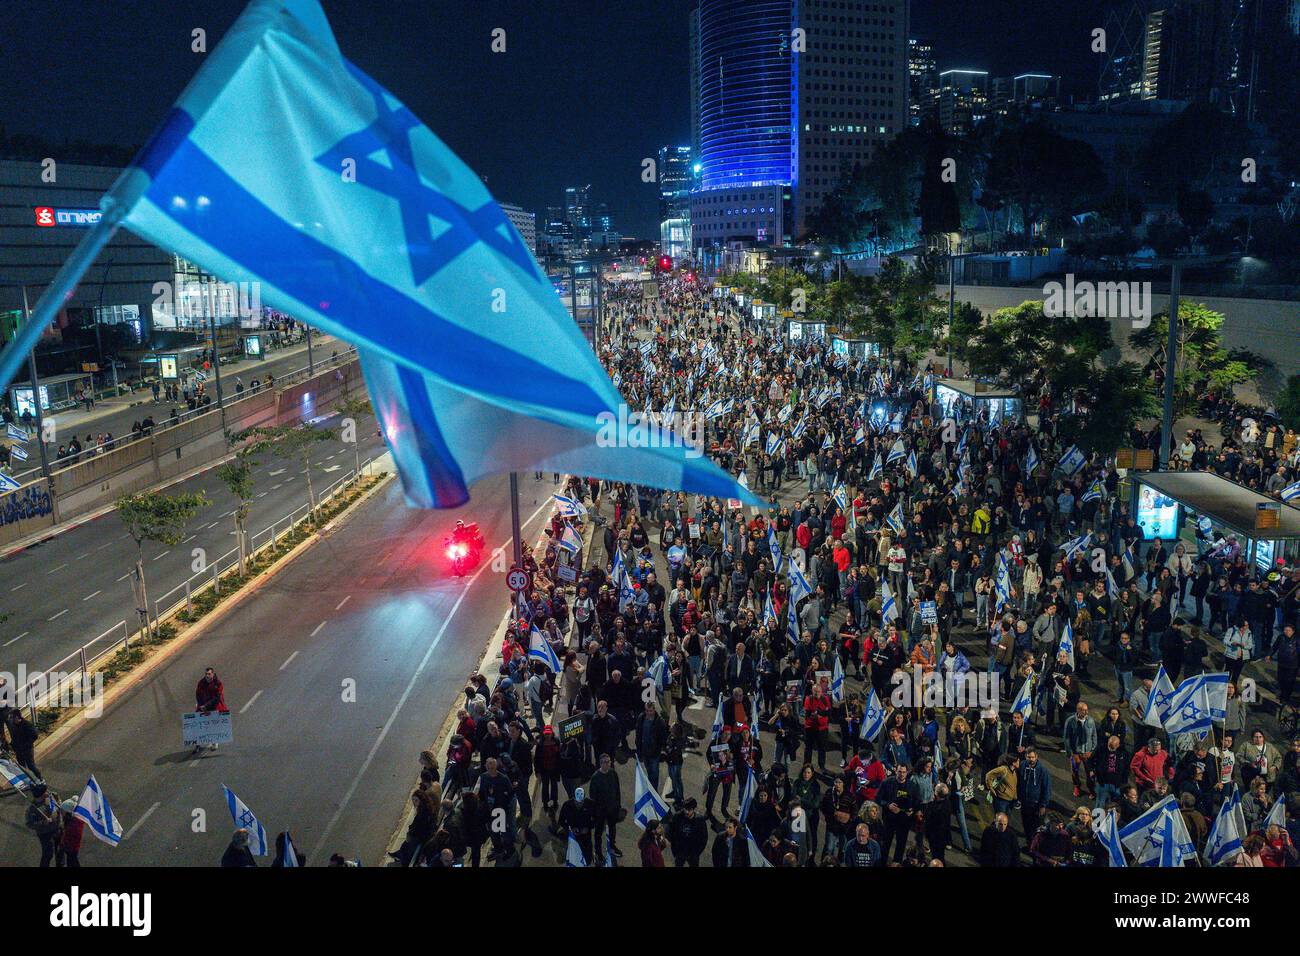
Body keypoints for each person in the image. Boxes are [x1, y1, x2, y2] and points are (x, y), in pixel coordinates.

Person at [194, 666, 229, 752]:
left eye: (209, 674)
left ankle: (214, 741)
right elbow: (198, 695)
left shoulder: (218, 683)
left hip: (214, 705)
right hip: (203, 706)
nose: (207, 676)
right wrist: (201, 705)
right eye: (206, 674)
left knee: (213, 723)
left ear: (213, 674)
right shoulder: (201, 683)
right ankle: (197, 744)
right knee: (197, 722)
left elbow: (217, 698)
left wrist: (206, 706)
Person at [26, 783, 61, 867]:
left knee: (60, 852)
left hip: (58, 829)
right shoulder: (33, 810)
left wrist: (59, 802)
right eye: (45, 791)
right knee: (48, 854)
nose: (48, 792)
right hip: (45, 834)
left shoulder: (51, 796)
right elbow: (30, 824)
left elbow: (58, 804)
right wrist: (43, 822)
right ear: (41, 795)